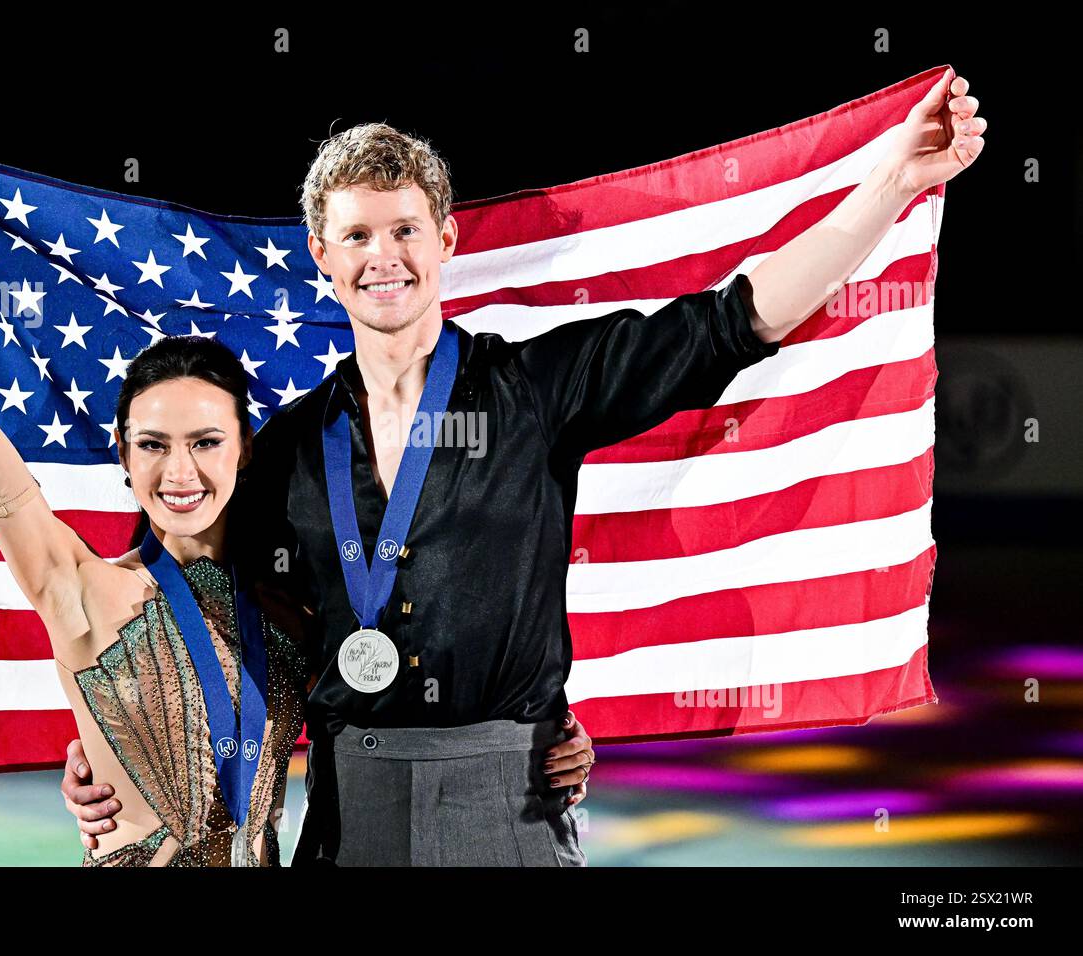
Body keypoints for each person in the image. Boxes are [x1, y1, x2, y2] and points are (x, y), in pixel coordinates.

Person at [63, 69, 985, 865]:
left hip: (512, 807)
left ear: (446, 242)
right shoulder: (290, 448)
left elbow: (737, 320)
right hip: (350, 814)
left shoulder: (537, 391)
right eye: (356, 237)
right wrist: (106, 740)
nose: (383, 256)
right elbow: (192, 604)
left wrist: (892, 181)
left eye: (404, 230)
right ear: (322, 257)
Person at [0, 135, 312, 866]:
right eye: (153, 444)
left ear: (244, 450)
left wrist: (555, 734)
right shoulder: (83, 589)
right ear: (124, 457)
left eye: (205, 441)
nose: (179, 471)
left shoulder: (291, 607)